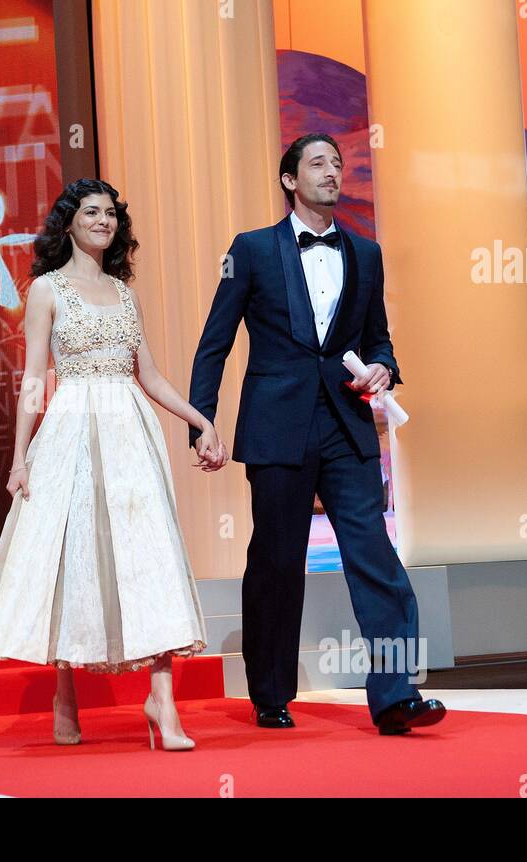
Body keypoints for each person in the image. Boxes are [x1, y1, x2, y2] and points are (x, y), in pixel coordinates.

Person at [187, 133, 446, 736]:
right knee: (278, 560)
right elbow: (215, 342)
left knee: (375, 556)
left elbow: (377, 336)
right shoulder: (250, 250)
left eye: (337, 163)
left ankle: (396, 694)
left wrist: (385, 365)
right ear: (289, 180)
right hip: (277, 427)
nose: (332, 172)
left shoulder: (367, 253)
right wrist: (202, 421)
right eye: (318, 163)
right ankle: (271, 693)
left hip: (347, 426)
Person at [0, 178, 221, 751]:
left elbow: (147, 374)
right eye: (91, 211)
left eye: (110, 213)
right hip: (71, 428)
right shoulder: (47, 290)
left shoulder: (126, 293)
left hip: (130, 429)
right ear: (69, 222)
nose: (103, 220)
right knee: (70, 554)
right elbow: (35, 378)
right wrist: (18, 457)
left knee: (149, 553)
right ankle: (65, 693)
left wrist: (198, 420)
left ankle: (163, 701)